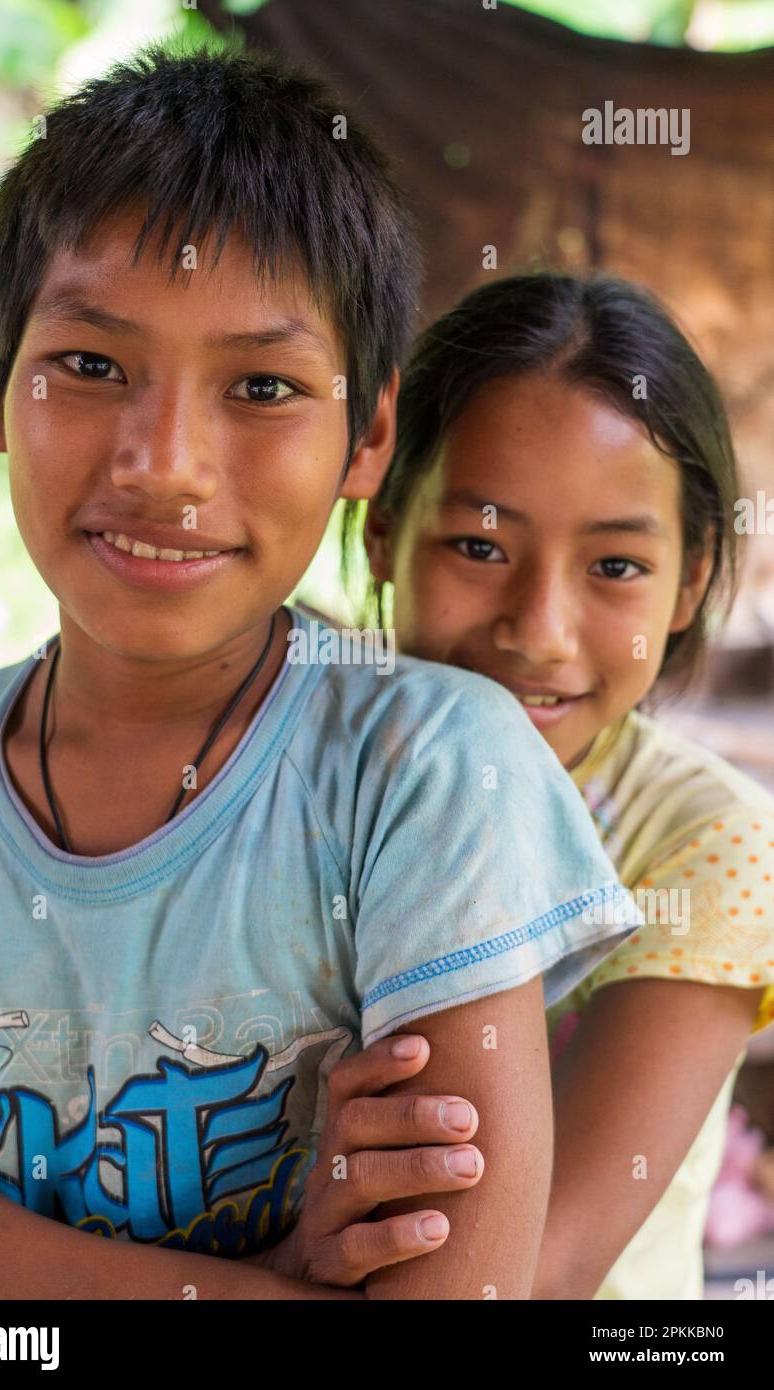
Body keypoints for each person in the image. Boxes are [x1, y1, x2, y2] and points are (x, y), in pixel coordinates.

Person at [0, 53, 635, 1300]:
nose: (166, 464)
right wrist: (289, 1278)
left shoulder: (426, 770)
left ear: (366, 438)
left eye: (262, 387)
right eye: (90, 364)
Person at [327, 271, 774, 1299]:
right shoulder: (292, 775)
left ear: (693, 576)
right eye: (479, 545)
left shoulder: (704, 845)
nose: (536, 629)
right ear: (385, 530)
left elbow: (526, 1277)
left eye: (612, 566)